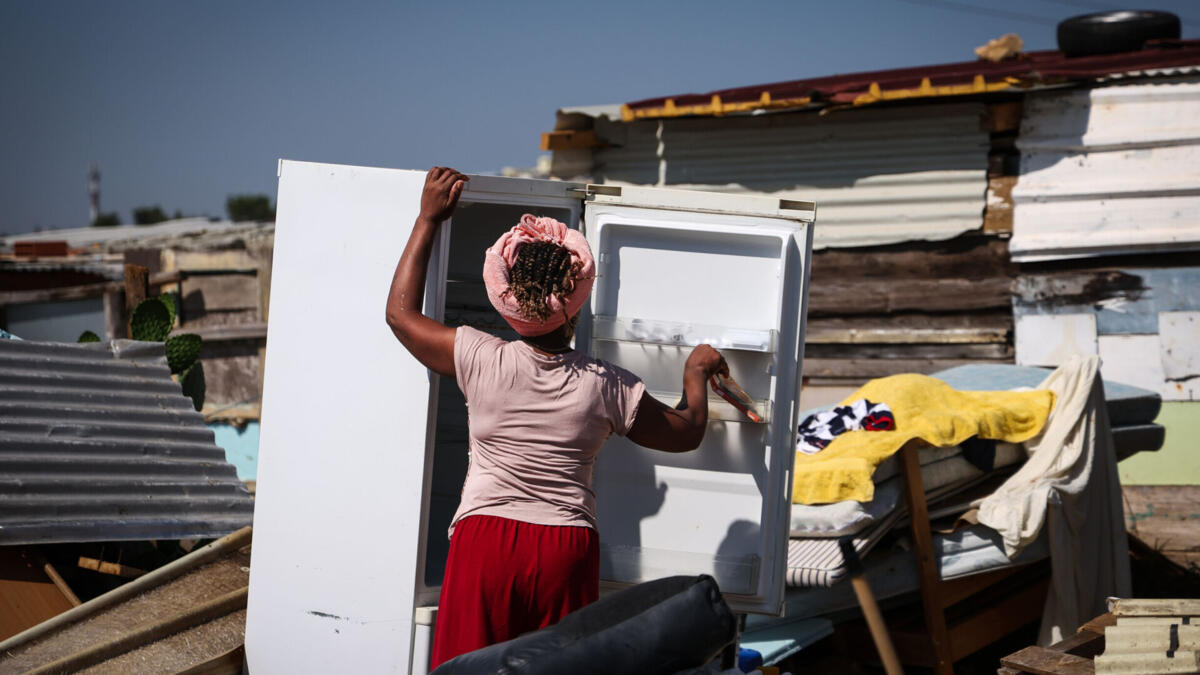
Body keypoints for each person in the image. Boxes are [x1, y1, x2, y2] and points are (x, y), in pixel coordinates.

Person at [385, 167, 728, 668]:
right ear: (576, 302)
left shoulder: (479, 356)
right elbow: (687, 432)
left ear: (506, 296)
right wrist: (695, 372)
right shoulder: (606, 384)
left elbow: (400, 315)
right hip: (563, 547)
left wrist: (428, 219)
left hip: (486, 541)